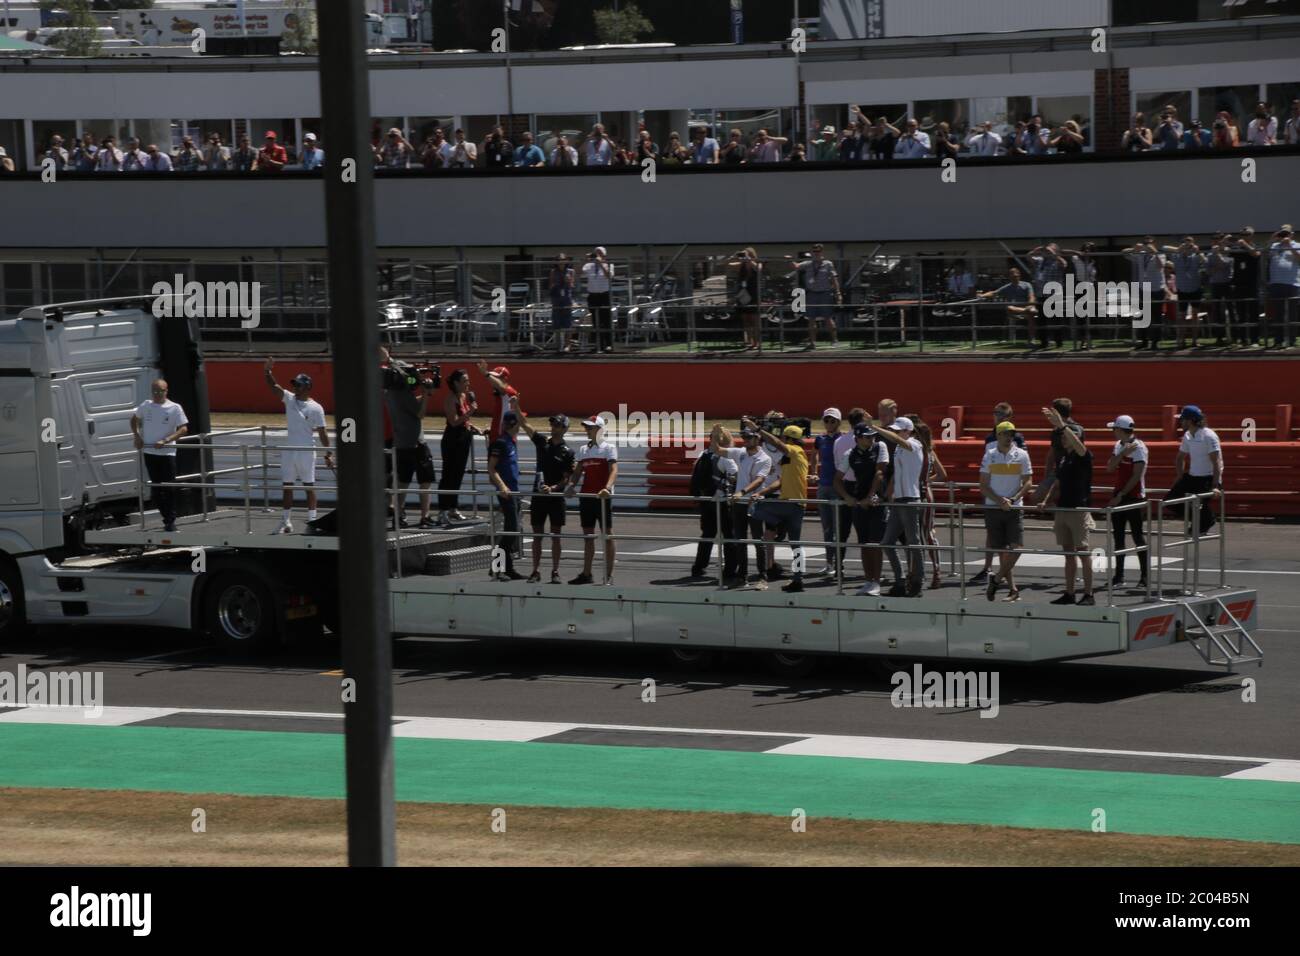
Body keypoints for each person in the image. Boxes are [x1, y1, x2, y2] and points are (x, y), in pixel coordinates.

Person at [263, 360, 331, 534]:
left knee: (309, 486)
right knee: (287, 486)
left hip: (306, 451)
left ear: (307, 387)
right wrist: (267, 372)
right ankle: (286, 521)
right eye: (294, 384)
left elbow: (322, 432)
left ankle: (312, 521)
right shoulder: (289, 399)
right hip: (289, 450)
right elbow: (274, 387)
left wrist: (328, 452)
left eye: (299, 385)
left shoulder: (316, 408)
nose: (295, 387)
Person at [741, 419, 809, 593]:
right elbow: (780, 481)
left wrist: (758, 429)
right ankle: (798, 579)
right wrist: (761, 493)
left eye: (784, 438)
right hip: (796, 505)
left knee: (755, 510)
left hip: (790, 504)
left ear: (788, 439)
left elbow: (777, 443)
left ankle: (778, 525)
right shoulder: (793, 459)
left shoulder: (794, 450)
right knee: (796, 544)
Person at [380, 345, 438, 529]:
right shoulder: (402, 393)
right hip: (415, 441)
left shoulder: (390, 393)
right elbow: (420, 413)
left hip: (402, 441)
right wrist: (427, 394)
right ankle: (424, 517)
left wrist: (423, 391)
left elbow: (411, 404)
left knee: (402, 482)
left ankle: (398, 516)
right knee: (424, 481)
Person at [1043, 402, 1095, 606]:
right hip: (1063, 508)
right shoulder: (1064, 459)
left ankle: (1089, 593)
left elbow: (1081, 448)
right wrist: (1047, 500)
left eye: (1066, 437)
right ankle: (1070, 592)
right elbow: (1057, 481)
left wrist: (1063, 426)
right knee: (1068, 553)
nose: (1063, 439)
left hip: (1078, 509)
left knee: (1083, 552)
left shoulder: (1083, 456)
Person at [870, 416, 927, 597]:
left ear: (908, 431)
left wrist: (875, 427)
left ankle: (918, 580)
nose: (895, 433)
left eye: (898, 430)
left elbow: (897, 440)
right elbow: (896, 476)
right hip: (899, 500)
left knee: (914, 542)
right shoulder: (899, 449)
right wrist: (885, 496)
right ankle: (901, 581)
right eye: (894, 430)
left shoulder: (915, 444)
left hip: (910, 499)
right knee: (887, 543)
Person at [970, 402, 1026, 584]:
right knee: (992, 534)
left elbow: (1022, 465)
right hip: (992, 490)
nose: (998, 417)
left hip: (1009, 492)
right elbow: (986, 465)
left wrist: (1013, 494)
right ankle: (988, 568)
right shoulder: (989, 438)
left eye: (1002, 415)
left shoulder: (1017, 438)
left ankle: (1003, 575)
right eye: (996, 413)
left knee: (1011, 542)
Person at [979, 420, 1033, 603]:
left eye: (1011, 434)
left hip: (1014, 508)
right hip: (993, 508)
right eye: (1005, 434)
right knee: (1002, 551)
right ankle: (1013, 589)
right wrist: (999, 500)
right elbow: (983, 485)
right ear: (998, 435)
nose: (1009, 437)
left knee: (1017, 548)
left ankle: (996, 579)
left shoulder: (1022, 455)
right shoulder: (990, 455)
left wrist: (1013, 498)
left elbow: (1028, 481)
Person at [520, 411, 576, 584]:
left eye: (557, 425)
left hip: (556, 498)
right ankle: (535, 571)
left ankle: (555, 571)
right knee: (537, 535)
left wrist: (553, 488)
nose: (553, 427)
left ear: (564, 429)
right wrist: (515, 408)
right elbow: (525, 425)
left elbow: (567, 478)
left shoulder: (568, 452)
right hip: (538, 496)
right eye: (552, 424)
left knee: (556, 536)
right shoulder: (542, 442)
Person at [836, 421, 890, 596]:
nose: (871, 439)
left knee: (875, 543)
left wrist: (871, 496)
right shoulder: (850, 454)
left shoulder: (880, 447)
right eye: (867, 437)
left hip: (876, 501)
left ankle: (877, 581)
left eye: (872, 436)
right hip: (860, 502)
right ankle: (868, 580)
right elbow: (837, 480)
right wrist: (847, 497)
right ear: (857, 438)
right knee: (864, 543)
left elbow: (880, 473)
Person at [565, 415, 618, 585]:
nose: (587, 430)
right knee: (588, 537)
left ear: (600, 429)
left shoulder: (609, 448)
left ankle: (608, 575)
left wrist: (607, 488)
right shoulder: (583, 449)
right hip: (586, 498)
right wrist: (571, 486)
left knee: (607, 535)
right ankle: (586, 574)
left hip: (602, 498)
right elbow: (577, 472)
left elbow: (614, 470)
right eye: (586, 427)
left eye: (590, 427)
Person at [130, 380, 189, 533]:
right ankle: (167, 519)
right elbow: (134, 419)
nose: (157, 394)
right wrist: (137, 436)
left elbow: (183, 429)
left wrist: (166, 440)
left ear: (166, 391)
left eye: (161, 391)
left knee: (168, 487)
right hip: (150, 452)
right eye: (155, 391)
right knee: (156, 488)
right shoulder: (146, 405)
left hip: (167, 453)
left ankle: (171, 521)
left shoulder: (174, 407)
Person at [724, 426, 772, 586]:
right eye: (744, 437)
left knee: (758, 540)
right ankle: (741, 575)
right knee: (740, 540)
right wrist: (717, 437)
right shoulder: (741, 452)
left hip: (754, 503)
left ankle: (762, 576)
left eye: (749, 437)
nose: (745, 440)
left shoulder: (765, 458)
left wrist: (742, 492)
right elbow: (718, 450)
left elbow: (759, 480)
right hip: (739, 503)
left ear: (757, 438)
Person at [689, 425, 739, 579]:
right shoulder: (726, 457)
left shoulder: (703, 453)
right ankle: (729, 570)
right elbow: (735, 476)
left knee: (707, 534)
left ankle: (698, 567)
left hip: (706, 500)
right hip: (722, 501)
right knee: (729, 535)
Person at [1105, 414, 1148, 589]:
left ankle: (1145, 576)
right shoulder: (1119, 445)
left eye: (1114, 429)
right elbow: (1110, 467)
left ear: (1120, 429)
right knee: (1118, 537)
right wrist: (1123, 453)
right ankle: (1119, 576)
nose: (1113, 432)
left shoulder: (1140, 447)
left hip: (1134, 496)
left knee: (1138, 536)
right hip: (1120, 495)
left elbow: (1137, 475)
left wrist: (1120, 495)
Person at [1164, 405, 1222, 537]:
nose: (1180, 422)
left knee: (1199, 501)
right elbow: (1180, 458)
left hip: (1208, 477)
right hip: (1193, 476)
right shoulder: (1188, 435)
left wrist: (1215, 485)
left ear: (1190, 420)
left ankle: (1203, 521)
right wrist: (1180, 476)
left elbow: (1216, 462)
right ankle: (1203, 520)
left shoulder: (1209, 436)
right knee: (1170, 501)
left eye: (1182, 419)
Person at [437, 368, 482, 526]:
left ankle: (453, 508)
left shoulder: (463, 396)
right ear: (456, 383)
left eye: (468, 380)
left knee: (458, 474)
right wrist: (471, 412)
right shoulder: (450, 399)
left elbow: (463, 420)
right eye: (464, 381)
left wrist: (472, 426)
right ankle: (442, 510)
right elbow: (454, 421)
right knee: (448, 475)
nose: (468, 383)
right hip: (452, 440)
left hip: (463, 438)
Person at [913, 416, 950, 589]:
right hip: (924, 491)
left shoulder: (918, 451)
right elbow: (942, 475)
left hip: (920, 494)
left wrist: (924, 480)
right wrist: (927, 481)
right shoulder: (929, 451)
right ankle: (931, 571)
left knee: (924, 534)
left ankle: (931, 571)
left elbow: (942, 475)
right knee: (924, 534)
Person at [487, 411, 525, 581]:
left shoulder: (511, 442)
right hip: (506, 492)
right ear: (514, 424)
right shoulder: (501, 443)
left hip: (514, 491)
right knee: (512, 530)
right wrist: (502, 486)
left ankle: (508, 568)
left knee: (513, 530)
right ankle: (496, 568)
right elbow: (491, 468)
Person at [789, 243, 842, 349]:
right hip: (812, 293)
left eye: (818, 251)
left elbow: (834, 279)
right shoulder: (808, 263)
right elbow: (796, 266)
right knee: (811, 319)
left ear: (822, 252)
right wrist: (789, 260)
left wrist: (838, 293)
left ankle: (834, 340)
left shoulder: (828, 264)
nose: (816, 253)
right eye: (814, 251)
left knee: (828, 318)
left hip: (825, 293)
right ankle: (812, 343)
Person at [813, 408, 845, 575]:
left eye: (833, 421)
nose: (829, 423)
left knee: (838, 527)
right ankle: (829, 562)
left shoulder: (843, 439)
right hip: (823, 486)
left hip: (838, 486)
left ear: (838, 422)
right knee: (827, 527)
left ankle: (839, 563)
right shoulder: (820, 439)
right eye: (826, 420)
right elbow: (815, 455)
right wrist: (814, 471)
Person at [1163, 236, 1206, 349]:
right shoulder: (1176, 256)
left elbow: (1206, 263)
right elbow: (1164, 247)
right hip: (1182, 290)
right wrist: (1179, 248)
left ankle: (1194, 341)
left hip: (1195, 289)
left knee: (1195, 316)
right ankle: (1181, 341)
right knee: (1181, 317)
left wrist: (1198, 252)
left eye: (1190, 245)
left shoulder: (1196, 256)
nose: (1188, 247)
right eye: (1186, 244)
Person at [976, 266, 1037, 345]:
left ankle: (1031, 339)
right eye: (1012, 276)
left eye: (1016, 276)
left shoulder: (1027, 285)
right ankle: (1026, 311)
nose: (1014, 277)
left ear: (1019, 275)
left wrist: (1030, 305)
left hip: (1026, 308)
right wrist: (982, 295)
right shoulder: (1007, 287)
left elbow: (1031, 296)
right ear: (1010, 277)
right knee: (1010, 308)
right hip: (1014, 311)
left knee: (1031, 311)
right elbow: (994, 293)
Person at [1264, 225, 1300, 349]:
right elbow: (1264, 255)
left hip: (1292, 283)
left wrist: (1289, 245)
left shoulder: (1297, 245)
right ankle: (1278, 341)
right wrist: (1271, 239)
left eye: (1286, 233)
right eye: (1282, 233)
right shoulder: (1274, 246)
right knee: (1277, 314)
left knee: (1292, 314)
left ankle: (1291, 341)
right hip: (1276, 283)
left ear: (1291, 234)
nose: (1284, 236)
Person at [475, 361, 521, 445]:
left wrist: (486, 374)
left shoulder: (508, 391)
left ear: (504, 379)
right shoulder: (501, 393)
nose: (493, 380)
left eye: (496, 377)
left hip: (502, 439)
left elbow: (501, 387)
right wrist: (492, 429)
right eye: (493, 377)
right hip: (498, 436)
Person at [582, 246, 615, 353]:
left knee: (606, 320)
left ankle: (608, 344)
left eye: (600, 253)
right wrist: (585, 260)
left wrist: (600, 264)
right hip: (593, 296)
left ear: (604, 255)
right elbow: (579, 272)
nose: (598, 255)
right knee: (596, 321)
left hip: (604, 295)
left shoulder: (609, 265)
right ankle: (598, 344)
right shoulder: (589, 265)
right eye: (596, 253)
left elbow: (609, 276)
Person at [730, 247, 762, 350]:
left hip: (753, 295)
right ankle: (749, 341)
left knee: (754, 320)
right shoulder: (741, 265)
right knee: (746, 320)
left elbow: (758, 269)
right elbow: (728, 264)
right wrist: (734, 256)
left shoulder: (757, 263)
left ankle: (757, 343)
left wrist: (749, 260)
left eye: (747, 254)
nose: (744, 257)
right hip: (743, 295)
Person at [548, 254, 576, 352]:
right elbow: (550, 286)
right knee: (557, 321)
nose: (561, 261)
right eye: (559, 259)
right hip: (556, 298)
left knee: (567, 322)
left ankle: (568, 344)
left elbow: (572, 285)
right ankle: (558, 344)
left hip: (566, 298)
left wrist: (569, 281)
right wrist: (555, 284)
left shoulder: (571, 271)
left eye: (563, 259)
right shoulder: (553, 271)